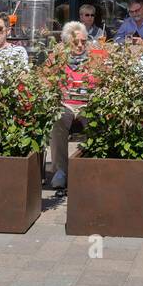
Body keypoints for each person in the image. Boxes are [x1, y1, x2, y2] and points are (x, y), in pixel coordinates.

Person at [49, 21, 96, 190]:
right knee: (58, 119)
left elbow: (102, 81)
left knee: (95, 120)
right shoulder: (57, 59)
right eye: (76, 42)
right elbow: (47, 81)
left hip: (87, 104)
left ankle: (89, 168)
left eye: (84, 41)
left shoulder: (93, 59)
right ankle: (60, 171)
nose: (80, 45)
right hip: (65, 103)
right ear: (67, 42)